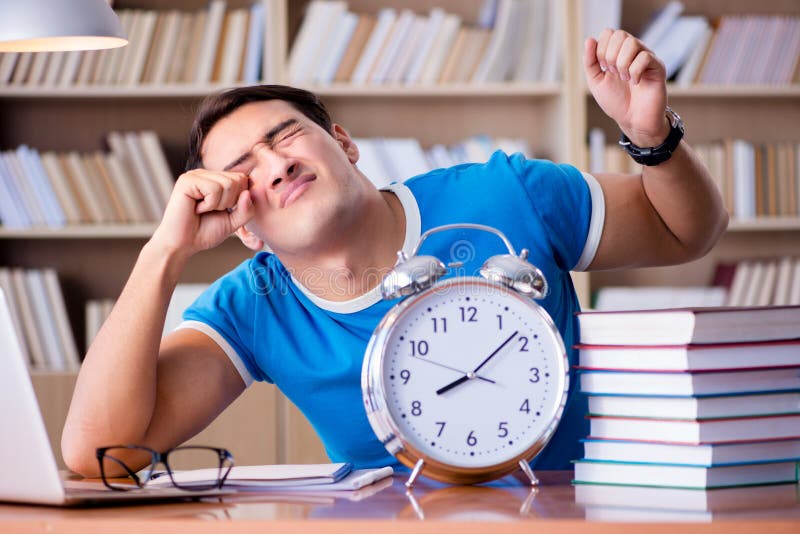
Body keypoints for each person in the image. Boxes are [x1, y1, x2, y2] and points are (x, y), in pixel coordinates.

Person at [62, 30, 728, 477]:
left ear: (345, 144)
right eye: (242, 172)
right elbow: (100, 456)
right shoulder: (251, 308)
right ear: (245, 227)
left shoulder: (511, 191)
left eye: (287, 136)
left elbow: (685, 233)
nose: (275, 166)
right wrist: (164, 252)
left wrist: (652, 137)